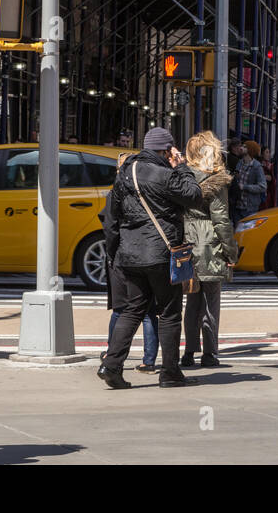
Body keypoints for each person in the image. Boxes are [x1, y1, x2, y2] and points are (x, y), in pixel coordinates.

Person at [99, 127, 204, 389]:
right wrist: (181, 167)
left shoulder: (125, 174)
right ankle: (169, 372)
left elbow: (111, 218)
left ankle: (111, 365)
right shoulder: (166, 174)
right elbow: (194, 196)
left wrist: (114, 254)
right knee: (168, 312)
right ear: (168, 150)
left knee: (133, 309)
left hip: (129, 255)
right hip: (161, 254)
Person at [179, 131, 235, 369]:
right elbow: (221, 220)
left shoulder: (181, 178)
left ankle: (189, 352)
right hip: (210, 244)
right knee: (211, 301)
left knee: (192, 301)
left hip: (186, 243)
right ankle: (210, 354)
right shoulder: (216, 180)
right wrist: (231, 251)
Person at [235, 140, 268, 220]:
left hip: (250, 208)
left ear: (250, 150)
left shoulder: (257, 166)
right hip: (237, 205)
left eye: (245, 147)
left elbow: (263, 186)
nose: (241, 148)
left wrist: (244, 187)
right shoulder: (240, 163)